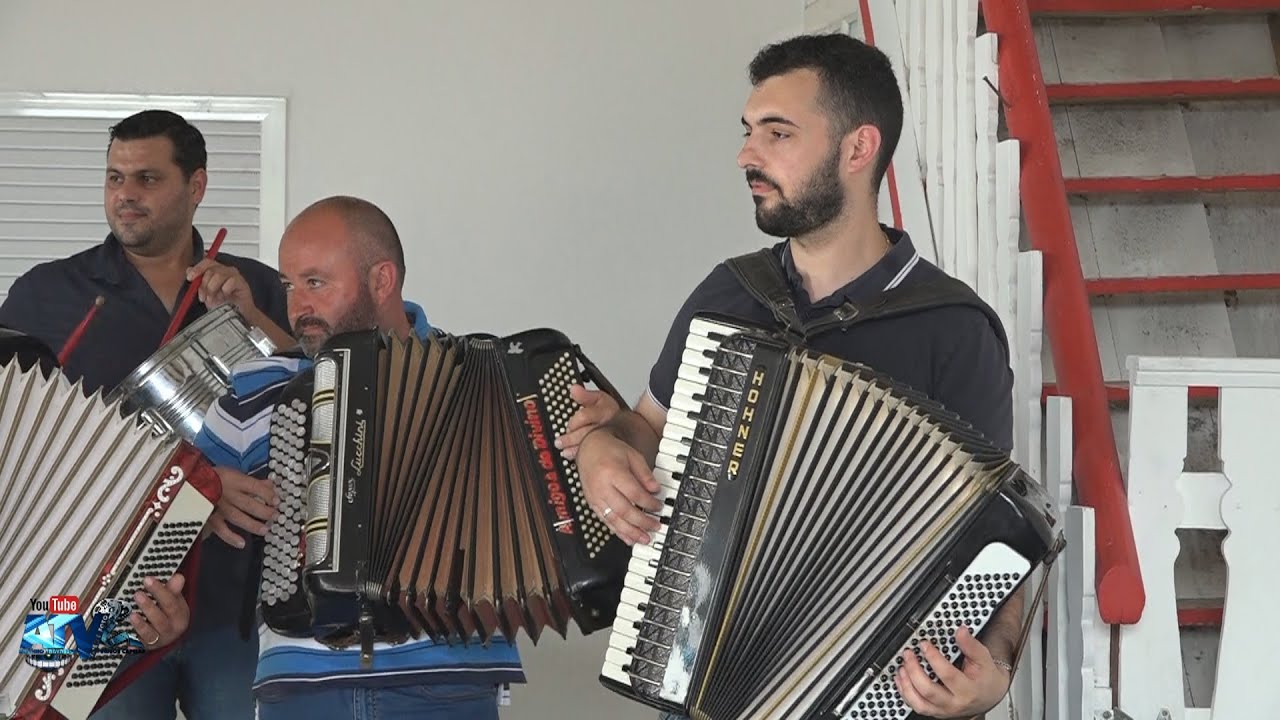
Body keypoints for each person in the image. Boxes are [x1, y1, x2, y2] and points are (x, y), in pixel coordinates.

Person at [561, 33, 1021, 720]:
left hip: (866, 699)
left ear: (858, 149)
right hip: (703, 685)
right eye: (749, 132)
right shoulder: (727, 295)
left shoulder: (954, 329)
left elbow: (995, 538)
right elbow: (646, 427)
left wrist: (997, 670)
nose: (748, 154)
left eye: (778, 134)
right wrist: (603, 447)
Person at [0, 109, 293, 719]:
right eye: (114, 178)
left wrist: (258, 321)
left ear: (198, 187)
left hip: (237, 599)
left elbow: (323, 403)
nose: (125, 197)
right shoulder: (42, 293)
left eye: (148, 180)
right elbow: (20, 452)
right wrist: (191, 491)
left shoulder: (262, 289)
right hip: (75, 596)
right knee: (42, 710)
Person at [192, 195, 524, 720]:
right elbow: (161, 506)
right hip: (300, 682)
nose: (296, 305)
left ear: (382, 279)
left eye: (315, 282)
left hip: (446, 678)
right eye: (287, 286)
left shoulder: (482, 379)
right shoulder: (256, 389)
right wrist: (206, 494)